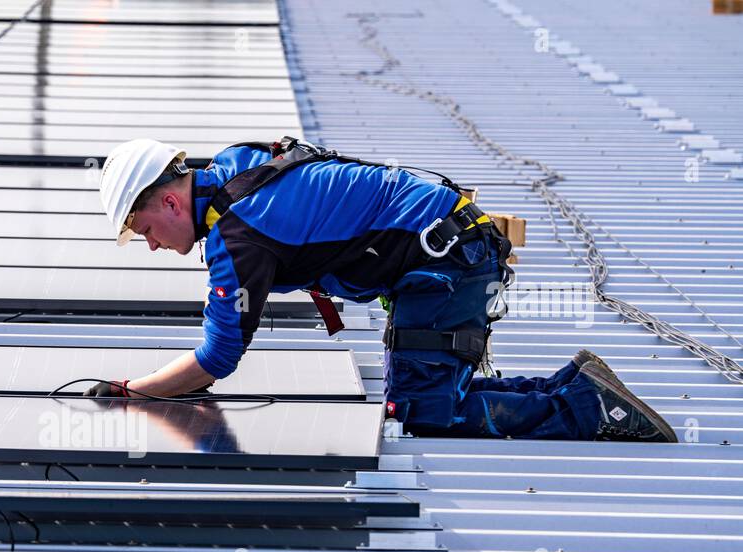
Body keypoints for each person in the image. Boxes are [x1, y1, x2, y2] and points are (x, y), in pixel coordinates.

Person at [88, 137, 676, 442]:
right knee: (425, 397)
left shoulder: (237, 239)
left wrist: (130, 391)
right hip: (444, 247)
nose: (153, 246)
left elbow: (216, 359)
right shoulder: (232, 169)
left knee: (423, 415)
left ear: (169, 199)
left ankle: (587, 408)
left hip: (446, 261)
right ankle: (574, 385)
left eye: (146, 231)